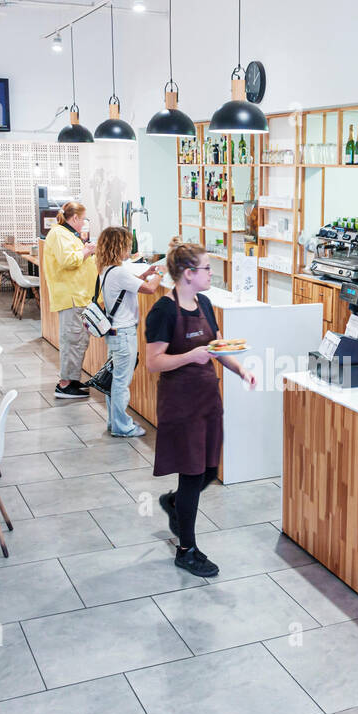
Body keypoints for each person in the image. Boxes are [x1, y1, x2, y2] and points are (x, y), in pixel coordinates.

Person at [146, 241, 256, 578]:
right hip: (180, 404)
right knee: (192, 473)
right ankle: (186, 550)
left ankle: (175, 503)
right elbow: (153, 362)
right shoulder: (163, 311)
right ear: (189, 274)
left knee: (209, 469)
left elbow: (217, 347)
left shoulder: (205, 303)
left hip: (208, 399)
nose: (212, 273)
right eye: (207, 268)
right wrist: (189, 357)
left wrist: (240, 369)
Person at [94, 226, 161, 436]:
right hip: (124, 334)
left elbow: (129, 285)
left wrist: (145, 274)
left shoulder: (107, 269)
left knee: (115, 380)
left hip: (115, 332)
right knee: (121, 383)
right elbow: (150, 289)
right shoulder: (120, 271)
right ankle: (122, 427)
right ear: (118, 246)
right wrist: (159, 273)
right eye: (126, 244)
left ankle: (114, 422)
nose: (129, 249)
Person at [41, 201, 97, 399]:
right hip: (71, 295)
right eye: (83, 219)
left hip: (78, 295)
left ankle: (72, 380)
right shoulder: (58, 234)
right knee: (72, 340)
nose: (83, 223)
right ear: (74, 218)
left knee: (78, 340)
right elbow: (68, 260)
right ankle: (65, 384)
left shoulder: (66, 234)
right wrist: (87, 250)